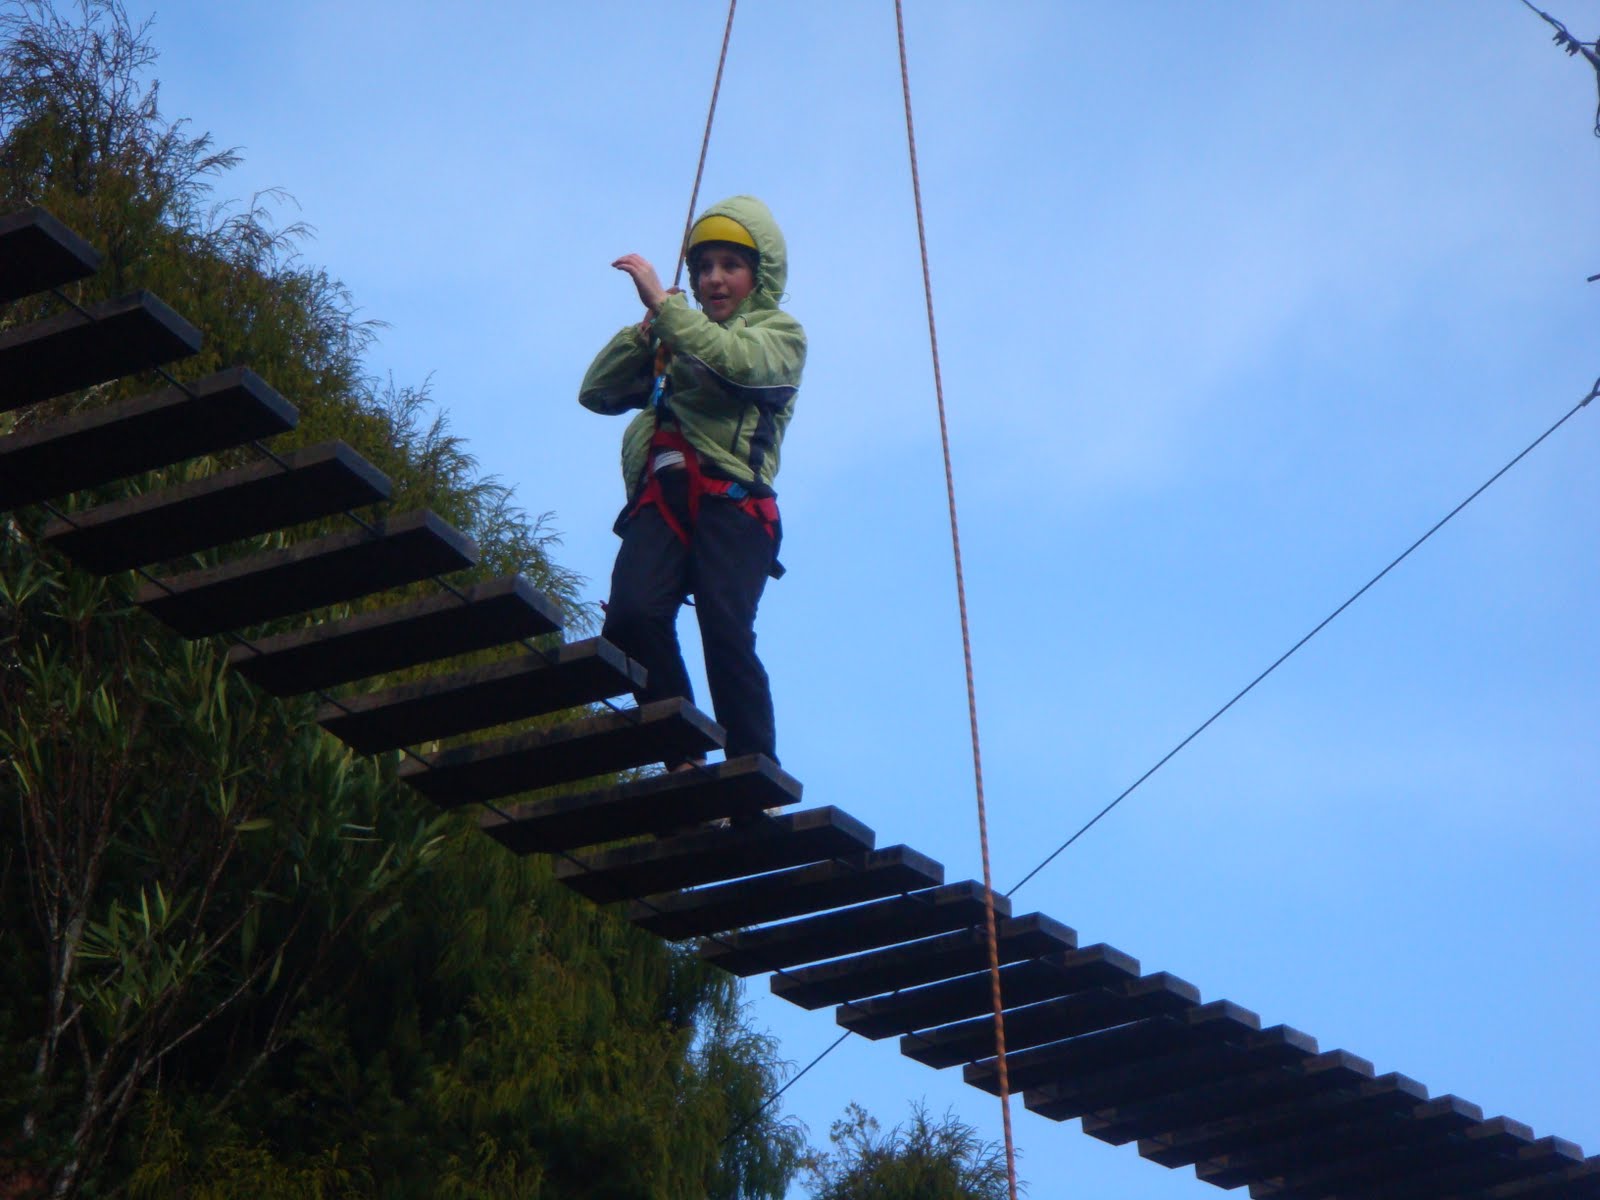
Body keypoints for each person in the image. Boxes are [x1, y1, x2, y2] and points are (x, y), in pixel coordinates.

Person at [579, 195, 805, 767]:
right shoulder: (676, 339)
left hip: (732, 504)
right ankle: (681, 751)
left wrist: (669, 312)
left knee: (724, 629)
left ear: (759, 275)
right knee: (629, 616)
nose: (714, 279)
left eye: (731, 265)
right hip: (666, 499)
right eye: (704, 267)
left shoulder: (779, 337)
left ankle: (752, 766)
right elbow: (597, 392)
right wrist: (649, 328)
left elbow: (737, 365)